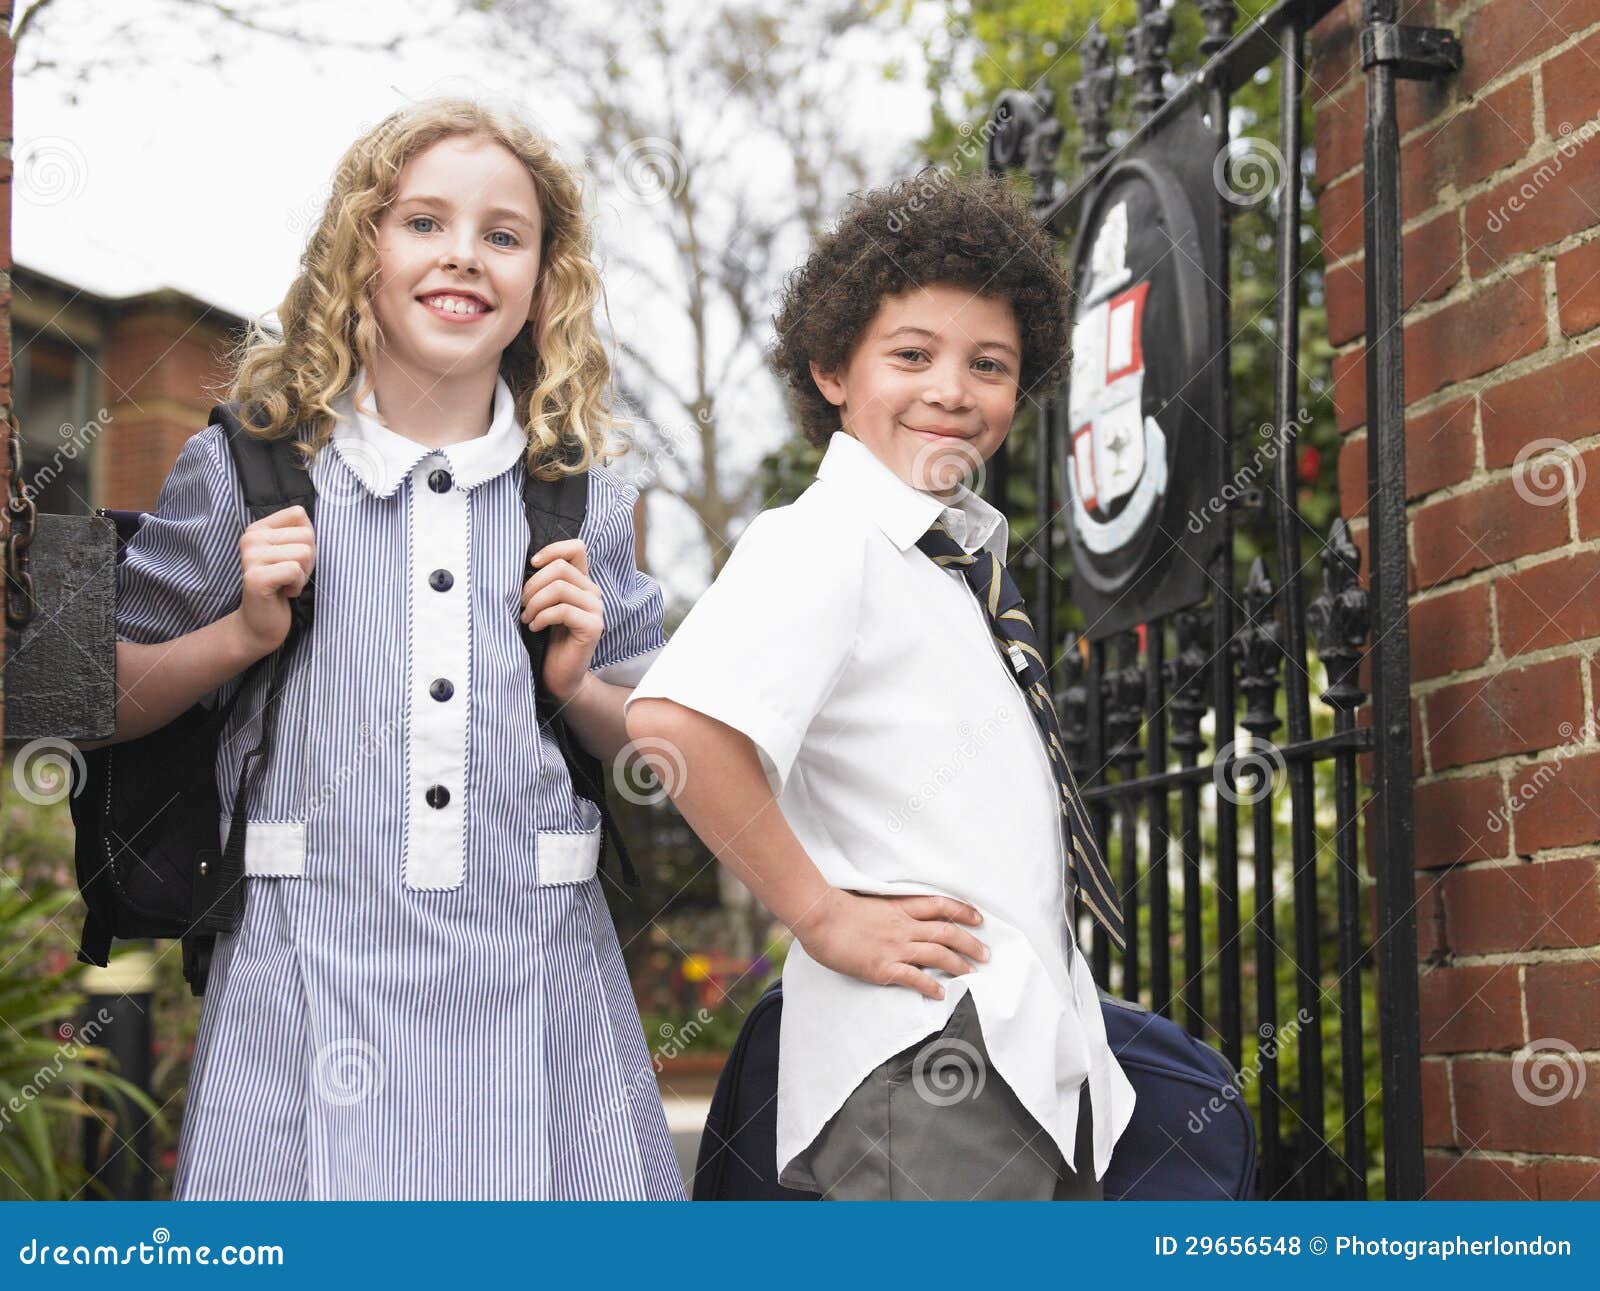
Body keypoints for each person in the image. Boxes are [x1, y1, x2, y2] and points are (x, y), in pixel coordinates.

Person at [108, 98, 684, 1200]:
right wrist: (241, 632)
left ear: (542, 286)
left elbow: (661, 755)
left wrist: (578, 682)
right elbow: (112, 695)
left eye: (503, 235)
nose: (463, 255)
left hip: (540, 987)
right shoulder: (243, 469)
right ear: (358, 252)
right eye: (424, 222)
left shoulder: (585, 498)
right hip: (302, 975)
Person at [625, 173, 1137, 1201]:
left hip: (1017, 1048)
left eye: (987, 365)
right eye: (911, 355)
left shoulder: (951, 564)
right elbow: (673, 722)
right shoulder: (826, 538)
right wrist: (817, 913)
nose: (951, 389)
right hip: (924, 1058)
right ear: (830, 371)